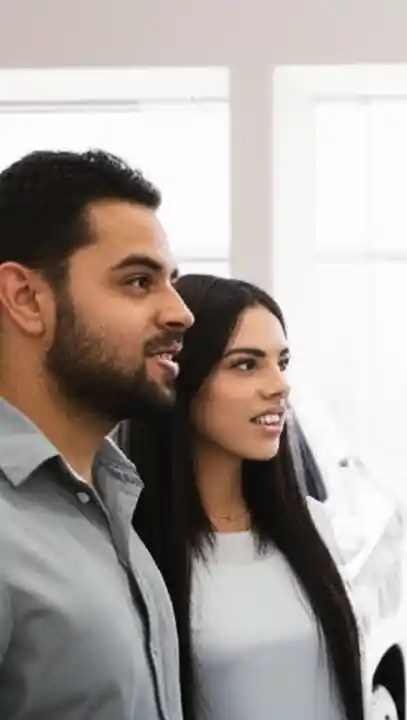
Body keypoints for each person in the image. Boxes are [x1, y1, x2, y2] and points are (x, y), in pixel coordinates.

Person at [0, 149, 190, 719]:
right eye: (139, 281)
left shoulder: (110, 494)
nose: (180, 312)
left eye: (171, 282)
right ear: (27, 299)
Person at [121, 274, 364, 720]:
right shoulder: (128, 547)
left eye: (282, 363)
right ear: (181, 377)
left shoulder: (310, 522)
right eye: (246, 364)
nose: (279, 385)